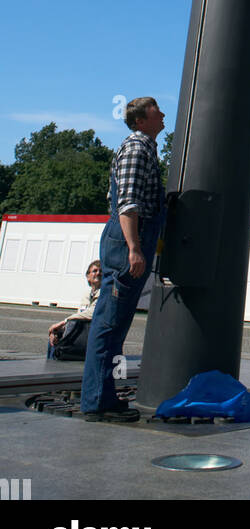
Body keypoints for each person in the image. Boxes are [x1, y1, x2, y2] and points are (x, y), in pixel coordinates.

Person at [80, 97, 167, 421]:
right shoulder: (136, 149)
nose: (163, 115)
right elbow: (127, 203)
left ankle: (103, 398)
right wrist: (133, 247)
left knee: (115, 324)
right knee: (109, 323)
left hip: (133, 237)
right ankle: (96, 402)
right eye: (156, 111)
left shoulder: (146, 148)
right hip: (128, 239)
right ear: (141, 119)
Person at [46, 260, 102, 360]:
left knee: (61, 341)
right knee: (55, 334)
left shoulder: (104, 293)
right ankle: (51, 365)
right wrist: (60, 329)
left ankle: (54, 361)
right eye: (95, 271)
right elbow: (80, 315)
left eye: (101, 271)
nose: (98, 273)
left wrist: (64, 322)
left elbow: (92, 313)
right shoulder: (87, 295)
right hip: (83, 333)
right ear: (88, 276)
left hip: (95, 336)